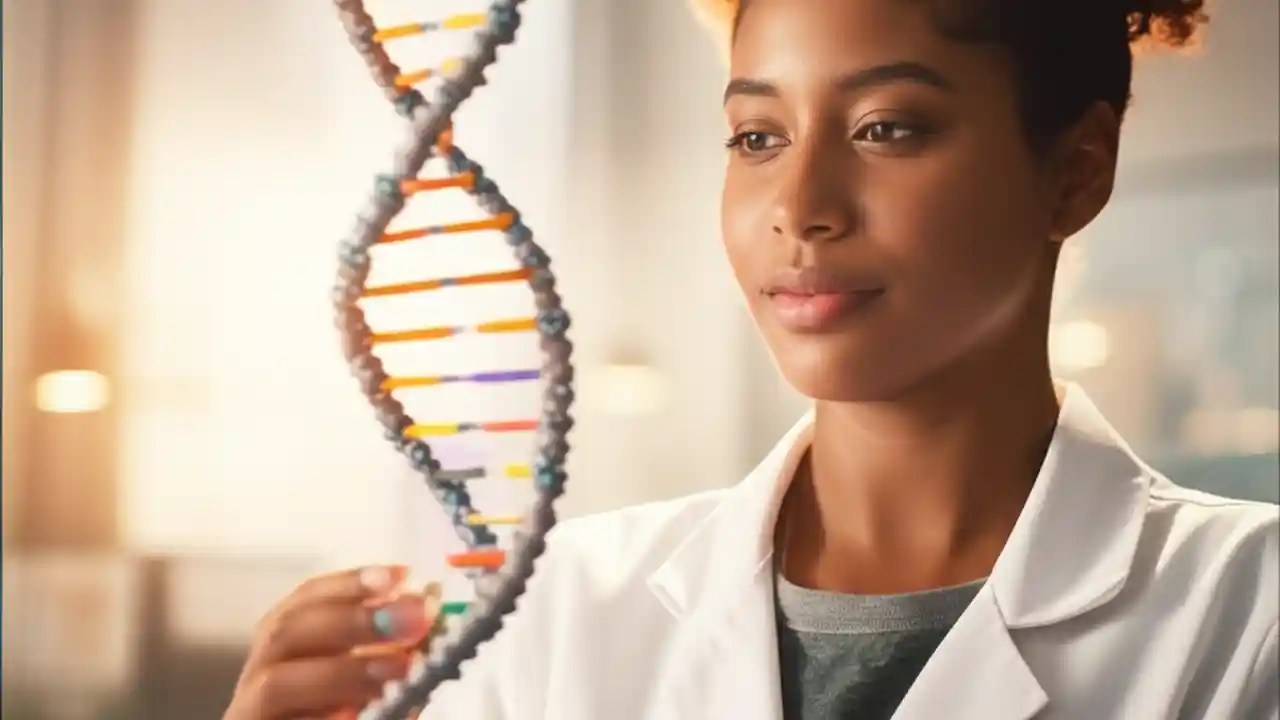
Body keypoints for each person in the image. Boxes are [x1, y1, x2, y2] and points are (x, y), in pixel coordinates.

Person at [223, 0, 1279, 717]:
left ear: (1073, 172)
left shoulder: (1246, 613)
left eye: (886, 128)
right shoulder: (553, 615)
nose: (799, 210)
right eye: (756, 139)